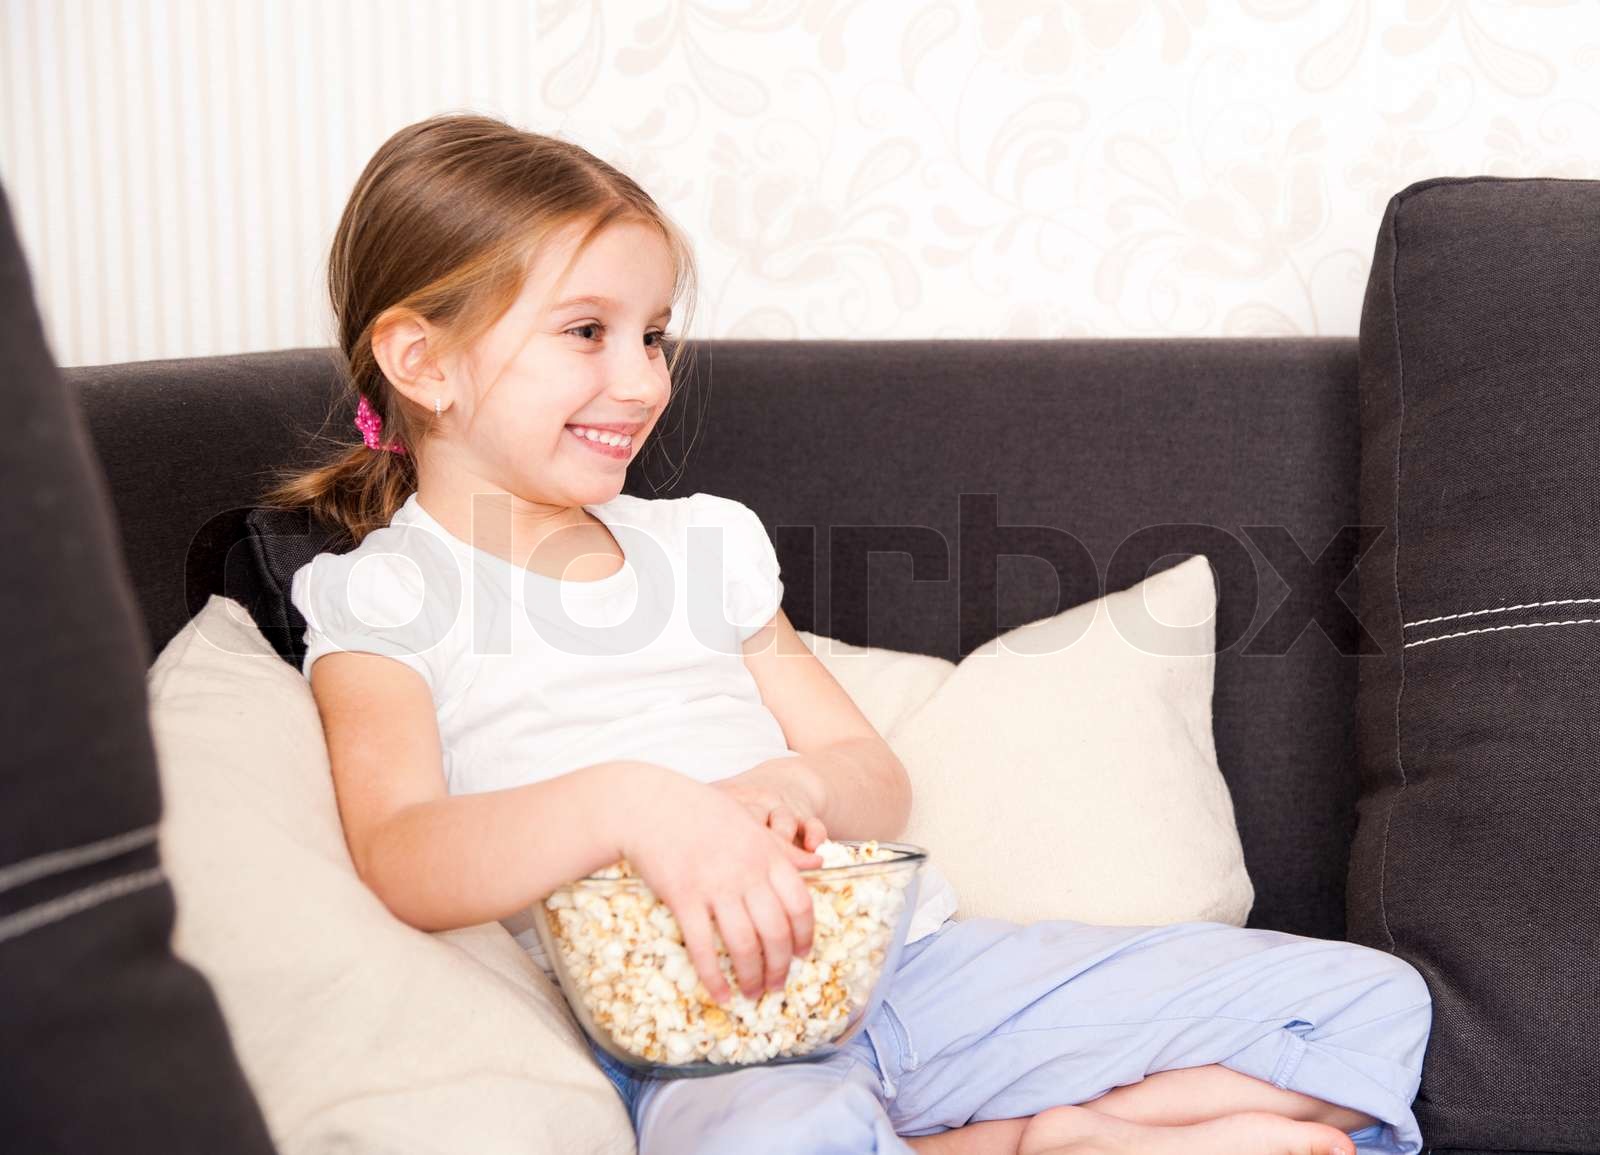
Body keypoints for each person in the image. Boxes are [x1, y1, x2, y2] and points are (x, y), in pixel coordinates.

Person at [262, 112, 1433, 1155]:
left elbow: (874, 776)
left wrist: (793, 785)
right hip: (696, 1044)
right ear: (423, 360)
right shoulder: (384, 597)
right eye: (587, 331)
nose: (642, 380)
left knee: (1368, 1004)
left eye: (654, 334)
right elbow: (403, 855)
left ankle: (1047, 1134)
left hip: (908, 975)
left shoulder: (700, 546)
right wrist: (632, 805)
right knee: (786, 1137)